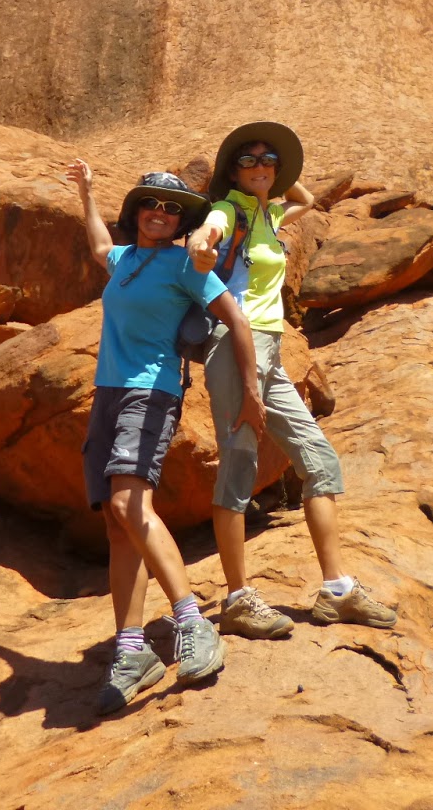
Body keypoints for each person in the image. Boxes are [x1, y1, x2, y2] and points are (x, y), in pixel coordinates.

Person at [67, 160, 267, 716]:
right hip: (108, 393)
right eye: (152, 204)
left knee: (131, 504)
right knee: (117, 523)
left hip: (151, 391)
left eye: (172, 208)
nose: (160, 213)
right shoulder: (125, 260)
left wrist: (251, 392)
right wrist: (87, 193)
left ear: (182, 222)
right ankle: (132, 650)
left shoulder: (187, 264)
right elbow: (99, 247)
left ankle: (193, 622)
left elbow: (236, 318)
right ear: (137, 212)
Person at [187, 121, 398, 639]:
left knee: (319, 460)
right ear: (232, 172)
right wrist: (200, 247)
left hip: (271, 350)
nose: (260, 166)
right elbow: (205, 234)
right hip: (234, 346)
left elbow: (306, 199)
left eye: (269, 159)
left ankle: (337, 591)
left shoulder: (269, 213)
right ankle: (237, 599)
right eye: (249, 160)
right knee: (238, 465)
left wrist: (280, 173)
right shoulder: (230, 210)